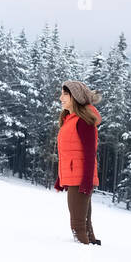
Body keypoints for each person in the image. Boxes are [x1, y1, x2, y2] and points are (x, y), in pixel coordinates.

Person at [54, 81, 102, 245]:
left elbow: (89, 154)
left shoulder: (83, 121)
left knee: (77, 225)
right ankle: (91, 248)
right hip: (76, 177)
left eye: (65, 94)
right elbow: (69, 153)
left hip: (80, 179)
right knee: (85, 226)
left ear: (75, 97)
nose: (61, 98)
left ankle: (82, 254)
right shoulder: (70, 119)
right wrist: (61, 178)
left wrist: (86, 181)